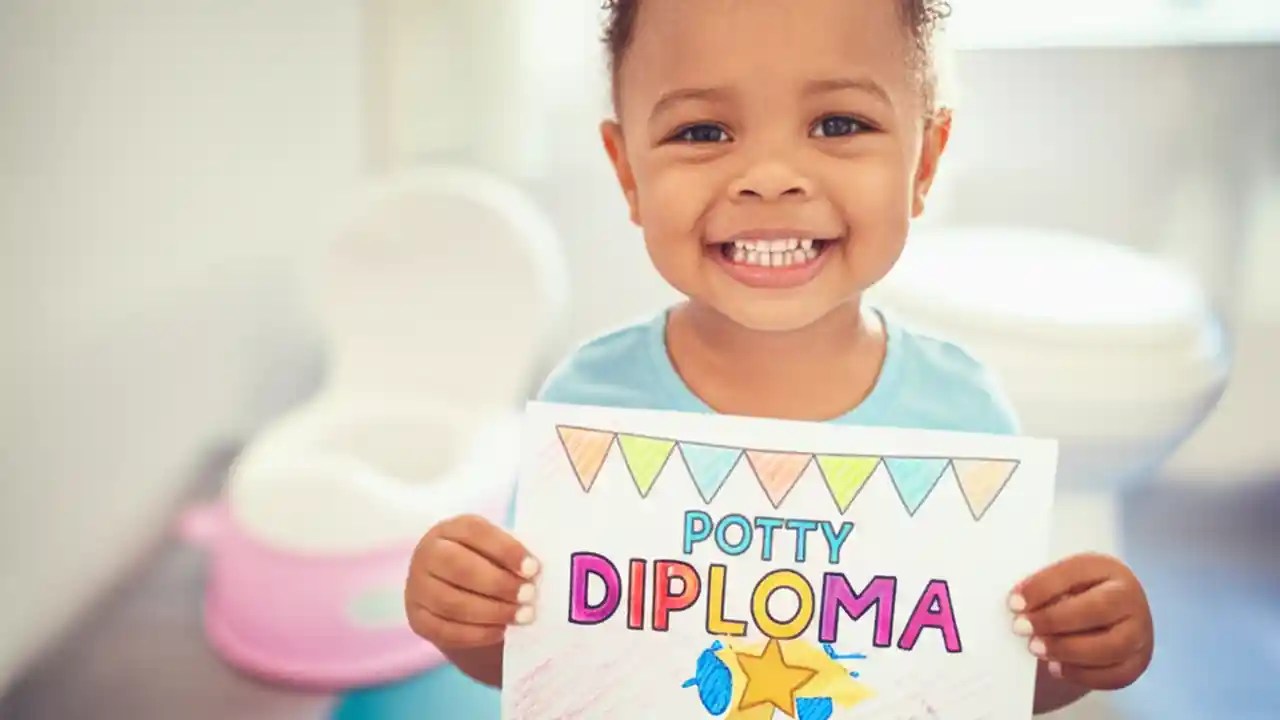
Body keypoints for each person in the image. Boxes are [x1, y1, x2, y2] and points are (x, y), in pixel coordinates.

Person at [404, 0, 1154, 714]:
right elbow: (539, 661)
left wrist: (1074, 659)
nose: (770, 175)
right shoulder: (588, 409)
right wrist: (463, 622)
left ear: (925, 163)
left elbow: (986, 679)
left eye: (837, 123)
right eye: (702, 132)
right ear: (627, 171)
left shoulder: (964, 421)